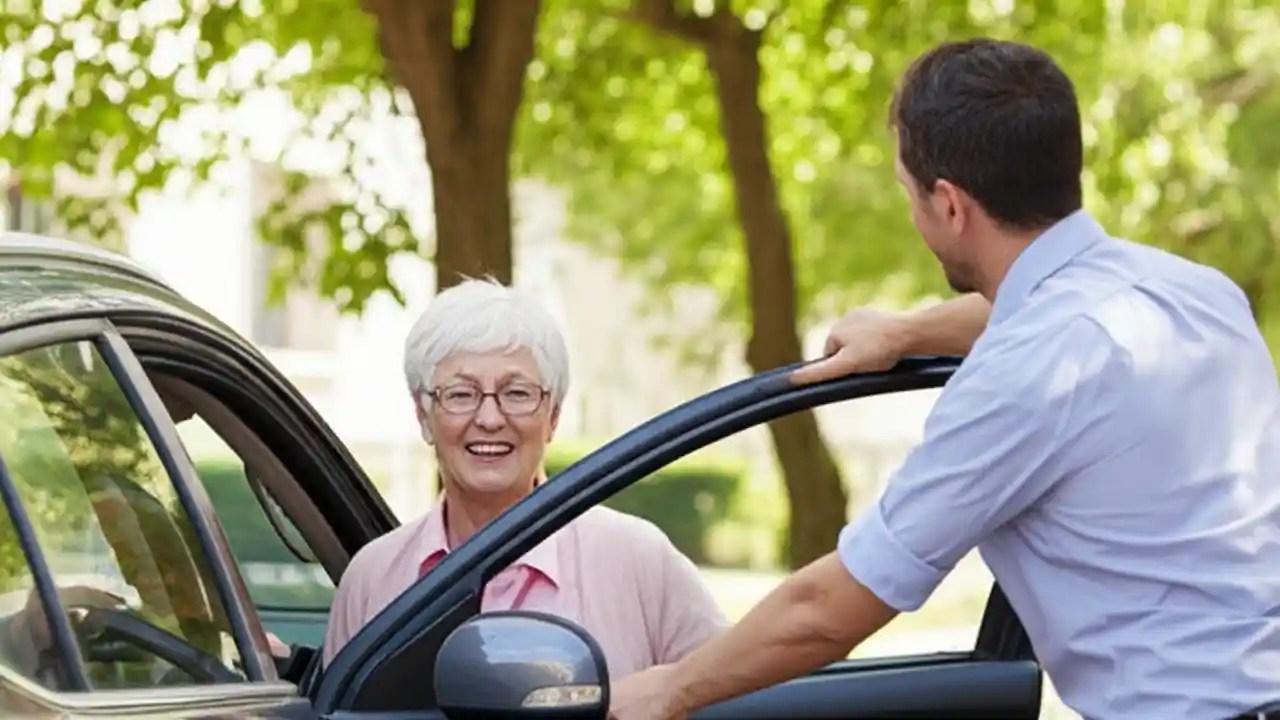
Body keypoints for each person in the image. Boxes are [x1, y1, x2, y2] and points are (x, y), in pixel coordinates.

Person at [609, 38, 1280, 720]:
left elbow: (833, 607)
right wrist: (906, 333)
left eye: (908, 192)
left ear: (951, 205)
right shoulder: (1197, 296)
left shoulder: (1019, 380)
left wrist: (669, 690)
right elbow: (1037, 310)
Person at [322, 278, 728, 676]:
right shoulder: (372, 578)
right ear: (423, 416)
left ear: (553, 416)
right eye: (461, 395)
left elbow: (733, 695)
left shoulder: (638, 562)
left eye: (517, 394)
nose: (489, 419)